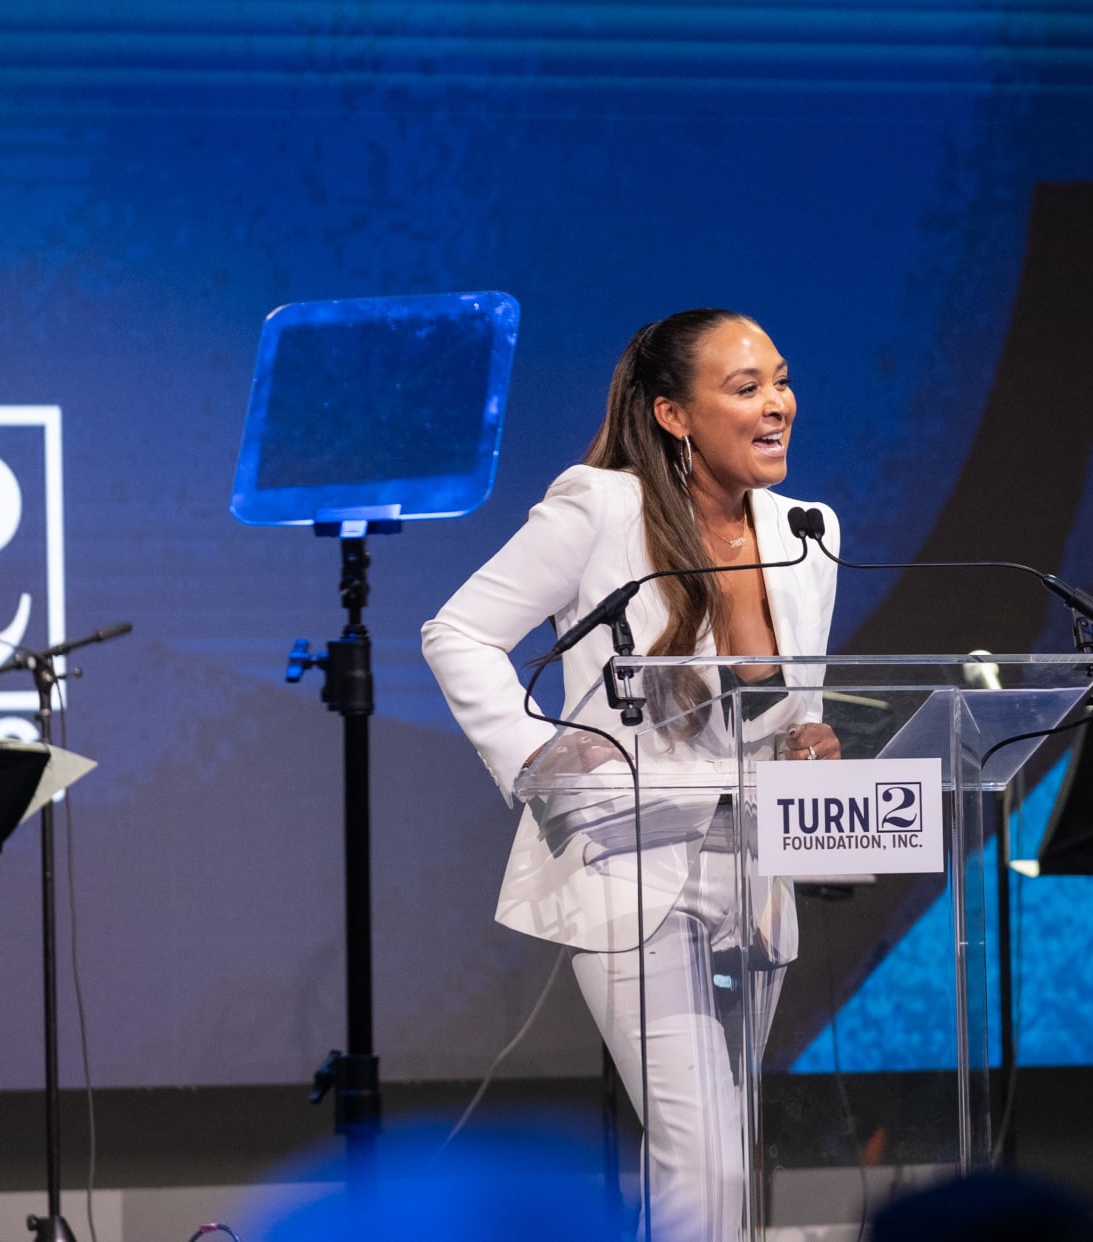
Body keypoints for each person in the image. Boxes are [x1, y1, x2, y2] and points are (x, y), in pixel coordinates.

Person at [422, 308, 842, 1242]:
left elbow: (791, 708)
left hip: (755, 879)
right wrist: (535, 751)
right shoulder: (599, 507)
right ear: (673, 415)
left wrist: (811, 738)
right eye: (746, 388)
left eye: (780, 379)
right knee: (703, 1155)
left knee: (725, 1146)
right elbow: (458, 631)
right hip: (630, 867)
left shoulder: (808, 531)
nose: (778, 405)